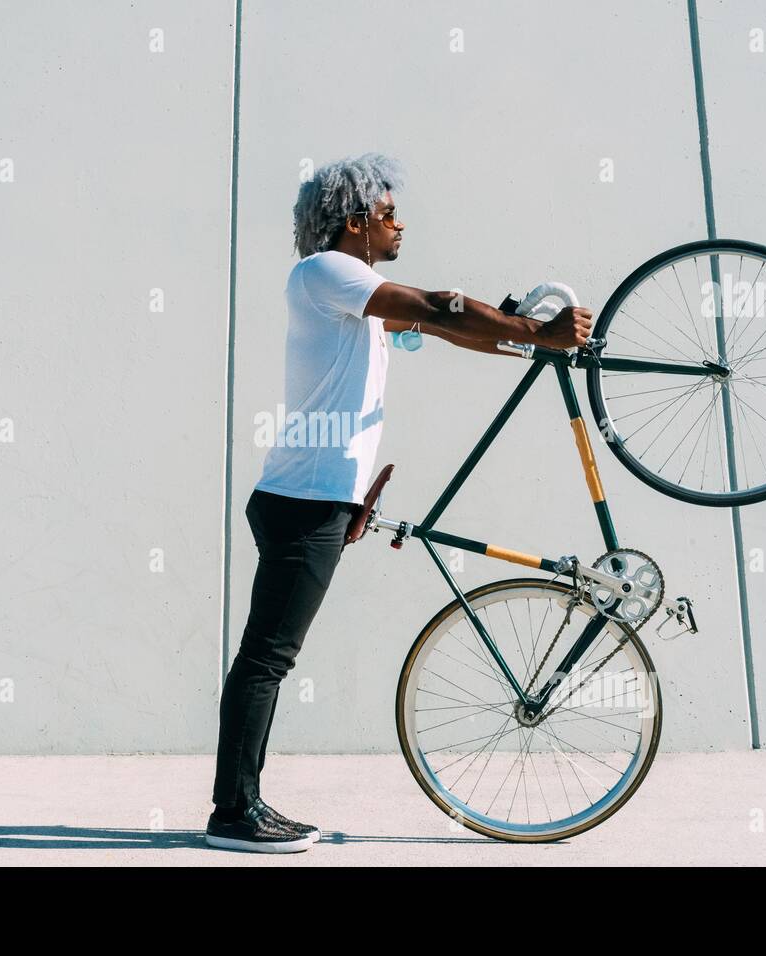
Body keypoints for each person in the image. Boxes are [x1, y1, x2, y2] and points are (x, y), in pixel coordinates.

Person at [205, 152, 593, 852]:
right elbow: (434, 305)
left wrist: (529, 341)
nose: (398, 224)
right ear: (354, 223)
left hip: (318, 498)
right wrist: (537, 331)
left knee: (268, 655)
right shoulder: (327, 273)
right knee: (266, 658)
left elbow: (447, 325)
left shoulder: (355, 295)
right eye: (388, 214)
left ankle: (243, 804)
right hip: (303, 500)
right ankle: (234, 813)